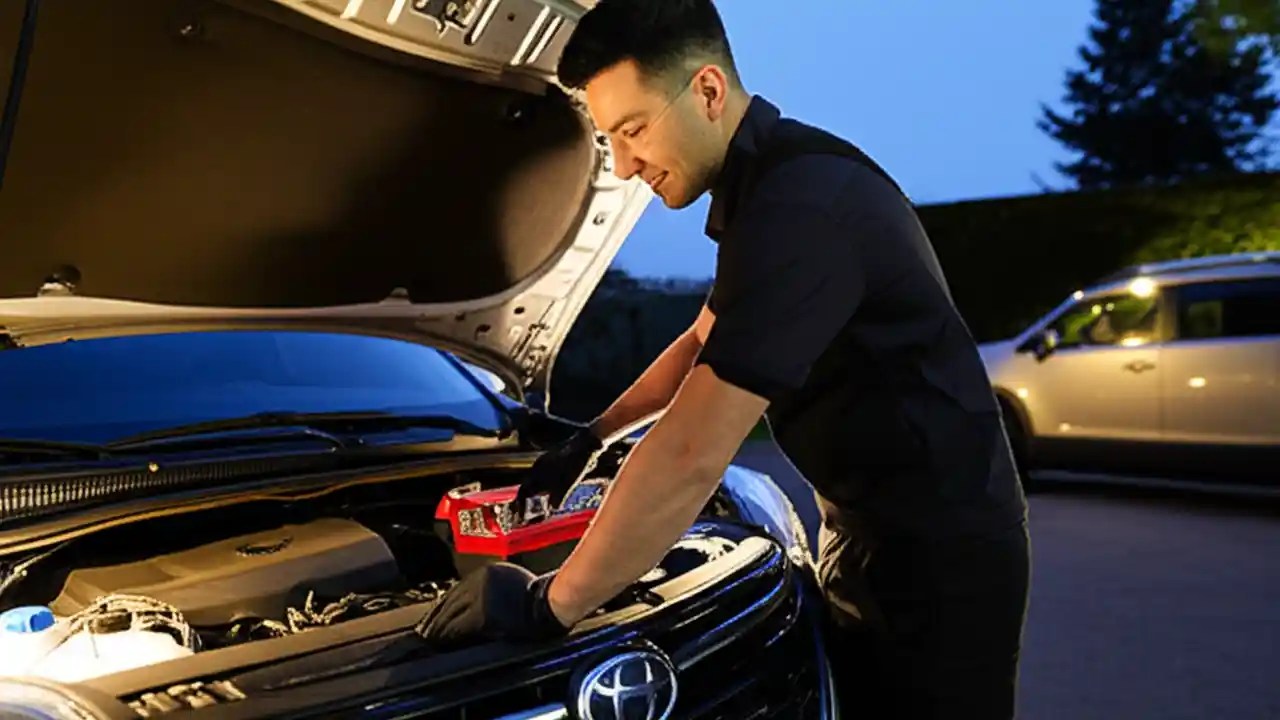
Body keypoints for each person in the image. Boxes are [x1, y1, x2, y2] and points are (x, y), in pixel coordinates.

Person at [416, 1, 1032, 716]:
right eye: (608, 138)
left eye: (634, 130)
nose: (621, 165)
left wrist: (549, 605)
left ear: (708, 91)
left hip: (939, 559)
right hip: (866, 527)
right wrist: (593, 434)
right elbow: (700, 343)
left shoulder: (805, 209)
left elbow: (690, 452)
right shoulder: (764, 191)